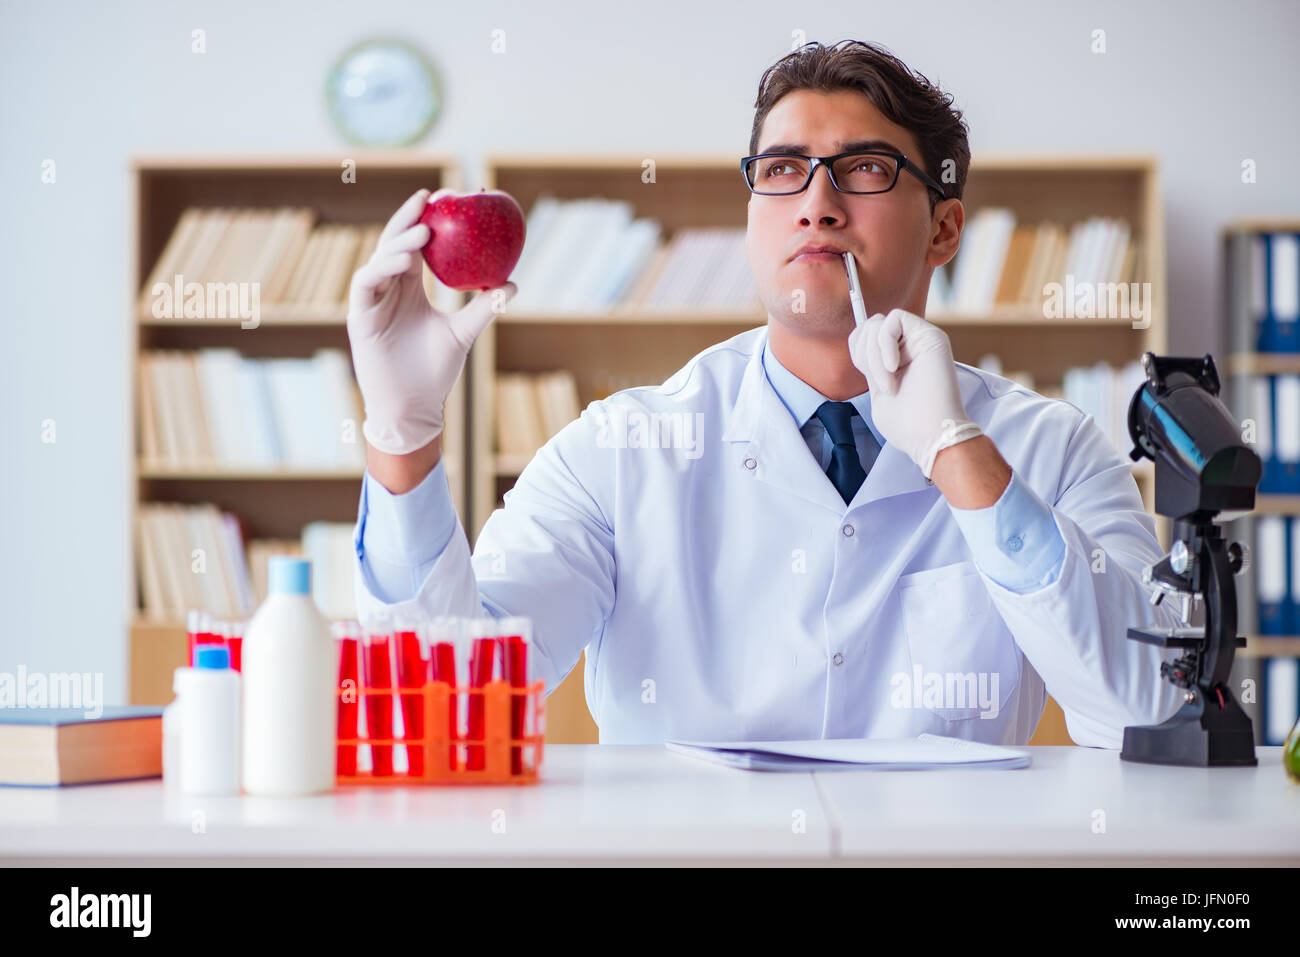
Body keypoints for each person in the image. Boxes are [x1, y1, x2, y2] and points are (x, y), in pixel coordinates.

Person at [345, 39, 1184, 748]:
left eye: (864, 169)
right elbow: (447, 709)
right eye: (783, 170)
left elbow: (1152, 708)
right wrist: (402, 438)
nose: (816, 205)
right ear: (751, 211)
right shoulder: (617, 452)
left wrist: (961, 459)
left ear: (944, 228)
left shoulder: (1053, 449)